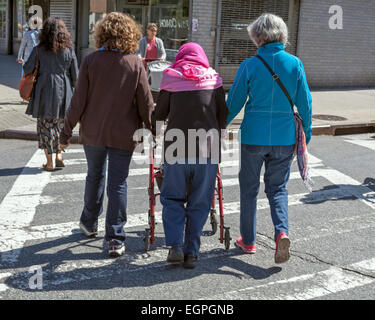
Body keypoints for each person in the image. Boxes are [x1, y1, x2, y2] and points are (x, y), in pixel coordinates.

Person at [59, 12, 154, 258]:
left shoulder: (90, 61)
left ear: (102, 33)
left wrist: (66, 132)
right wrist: (152, 130)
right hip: (124, 134)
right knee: (118, 184)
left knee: (94, 176)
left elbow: (77, 102)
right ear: (130, 35)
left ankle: (90, 223)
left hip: (93, 132)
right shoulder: (135, 64)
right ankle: (115, 238)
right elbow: (146, 104)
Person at [226, 13, 312, 264]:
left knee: (249, 189)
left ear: (259, 37)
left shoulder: (250, 65)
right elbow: (304, 103)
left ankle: (249, 240)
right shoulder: (295, 64)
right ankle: (281, 233)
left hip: (253, 136)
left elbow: (234, 102)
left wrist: (218, 126)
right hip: (284, 137)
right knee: (277, 189)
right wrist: (305, 133)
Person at [154, 43, 228, 269]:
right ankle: (192, 253)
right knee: (200, 201)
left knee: (173, 198)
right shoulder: (213, 79)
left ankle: (176, 245)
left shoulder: (170, 77)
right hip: (207, 150)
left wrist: (154, 132)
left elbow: (159, 115)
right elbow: (222, 115)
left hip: (175, 149)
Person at [24, 17, 78, 171]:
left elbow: (28, 69)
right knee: (60, 124)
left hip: (44, 90)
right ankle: (59, 155)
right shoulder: (69, 50)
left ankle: (49, 162)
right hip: (64, 90)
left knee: (45, 126)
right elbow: (76, 76)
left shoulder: (39, 49)